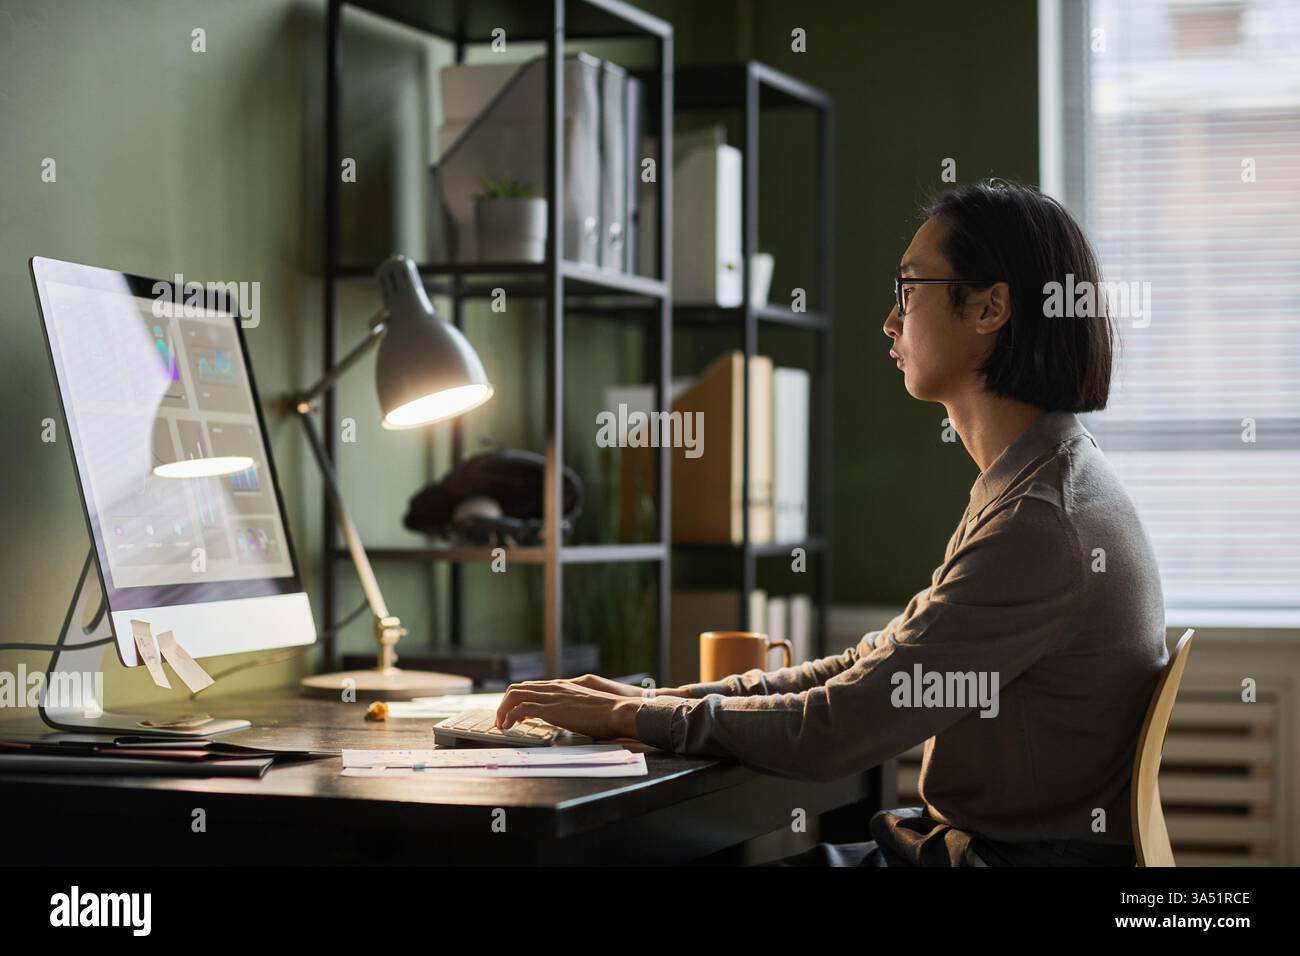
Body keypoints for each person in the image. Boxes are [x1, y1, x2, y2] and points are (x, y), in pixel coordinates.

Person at [494, 179, 1168, 867]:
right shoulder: (1040, 478)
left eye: (910, 288)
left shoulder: (1040, 520)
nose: (890, 319)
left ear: (991, 307)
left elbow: (839, 728)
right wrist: (658, 700)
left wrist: (635, 716)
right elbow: (871, 663)